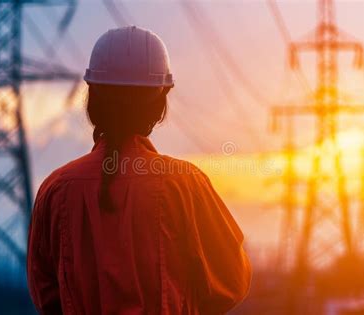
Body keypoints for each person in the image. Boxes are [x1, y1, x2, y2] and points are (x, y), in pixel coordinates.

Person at [27, 26, 251, 315]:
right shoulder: (185, 184)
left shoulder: (56, 188)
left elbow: (44, 291)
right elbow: (232, 280)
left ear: (93, 99)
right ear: (159, 104)